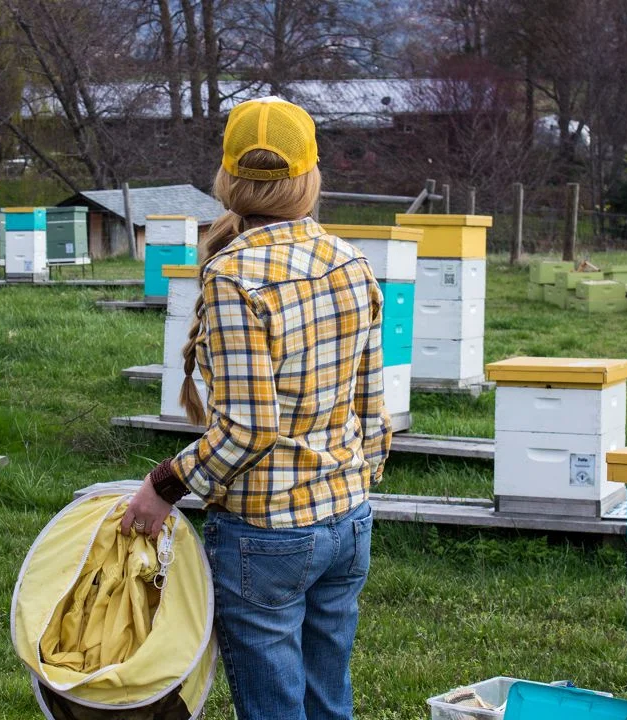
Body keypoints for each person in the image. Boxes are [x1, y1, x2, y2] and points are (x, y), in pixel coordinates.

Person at [120, 96, 393, 720]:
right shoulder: (351, 262)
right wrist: (358, 477)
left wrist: (164, 485)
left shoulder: (234, 277)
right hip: (348, 520)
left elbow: (250, 428)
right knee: (329, 699)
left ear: (227, 178)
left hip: (268, 535)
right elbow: (371, 403)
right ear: (309, 175)